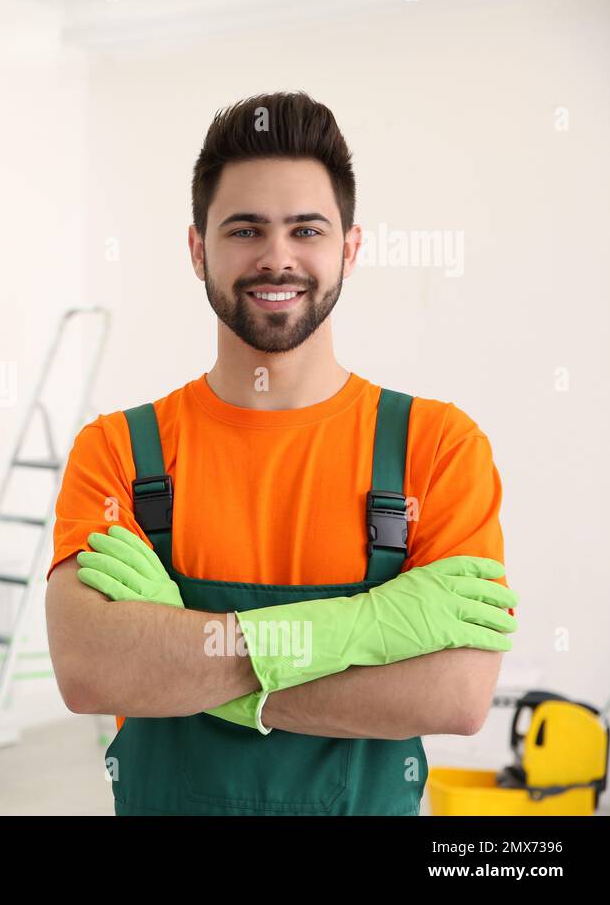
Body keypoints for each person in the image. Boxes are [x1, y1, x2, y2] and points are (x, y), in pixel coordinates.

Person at [45, 92, 518, 815]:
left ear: (349, 250)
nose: (277, 257)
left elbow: (452, 695)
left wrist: (185, 662)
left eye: (307, 229)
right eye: (244, 229)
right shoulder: (119, 450)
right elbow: (92, 671)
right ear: (198, 249)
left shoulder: (436, 446)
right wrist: (370, 628)